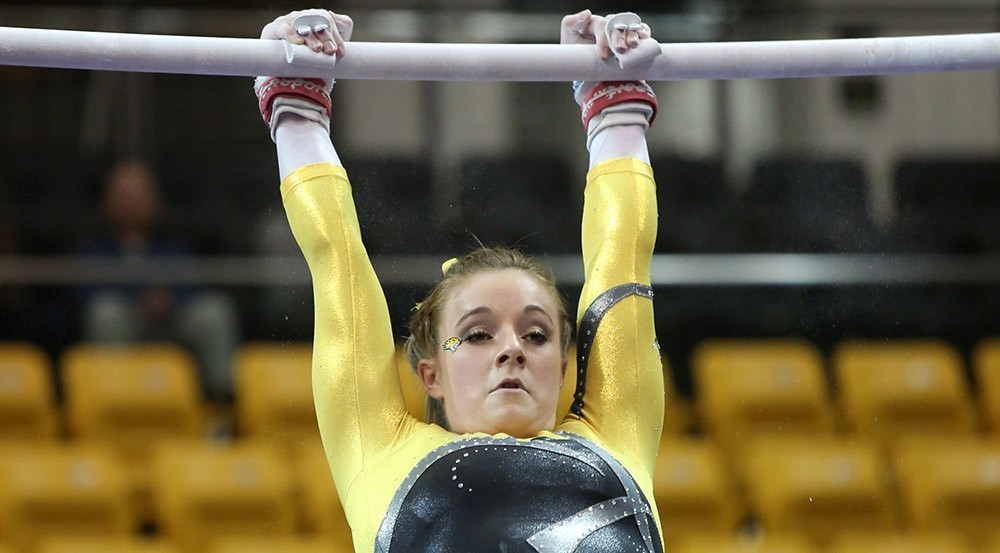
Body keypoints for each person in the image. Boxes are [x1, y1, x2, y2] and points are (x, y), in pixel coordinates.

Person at [256, 8, 663, 551]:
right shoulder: (381, 453)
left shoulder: (615, 437)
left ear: (566, 368)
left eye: (537, 334)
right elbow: (338, 261)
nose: (512, 350)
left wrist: (615, 104)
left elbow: (624, 257)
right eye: (476, 334)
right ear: (432, 374)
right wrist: (296, 105)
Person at [78, 158, 241, 401]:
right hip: (128, 322)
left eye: (139, 195)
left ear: (155, 201)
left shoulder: (172, 245)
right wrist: (138, 300)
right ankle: (112, 401)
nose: (131, 204)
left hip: (173, 319)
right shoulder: (94, 249)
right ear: (107, 201)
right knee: (106, 314)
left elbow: (192, 285)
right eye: (123, 196)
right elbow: (86, 294)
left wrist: (170, 299)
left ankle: (220, 406)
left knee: (213, 313)